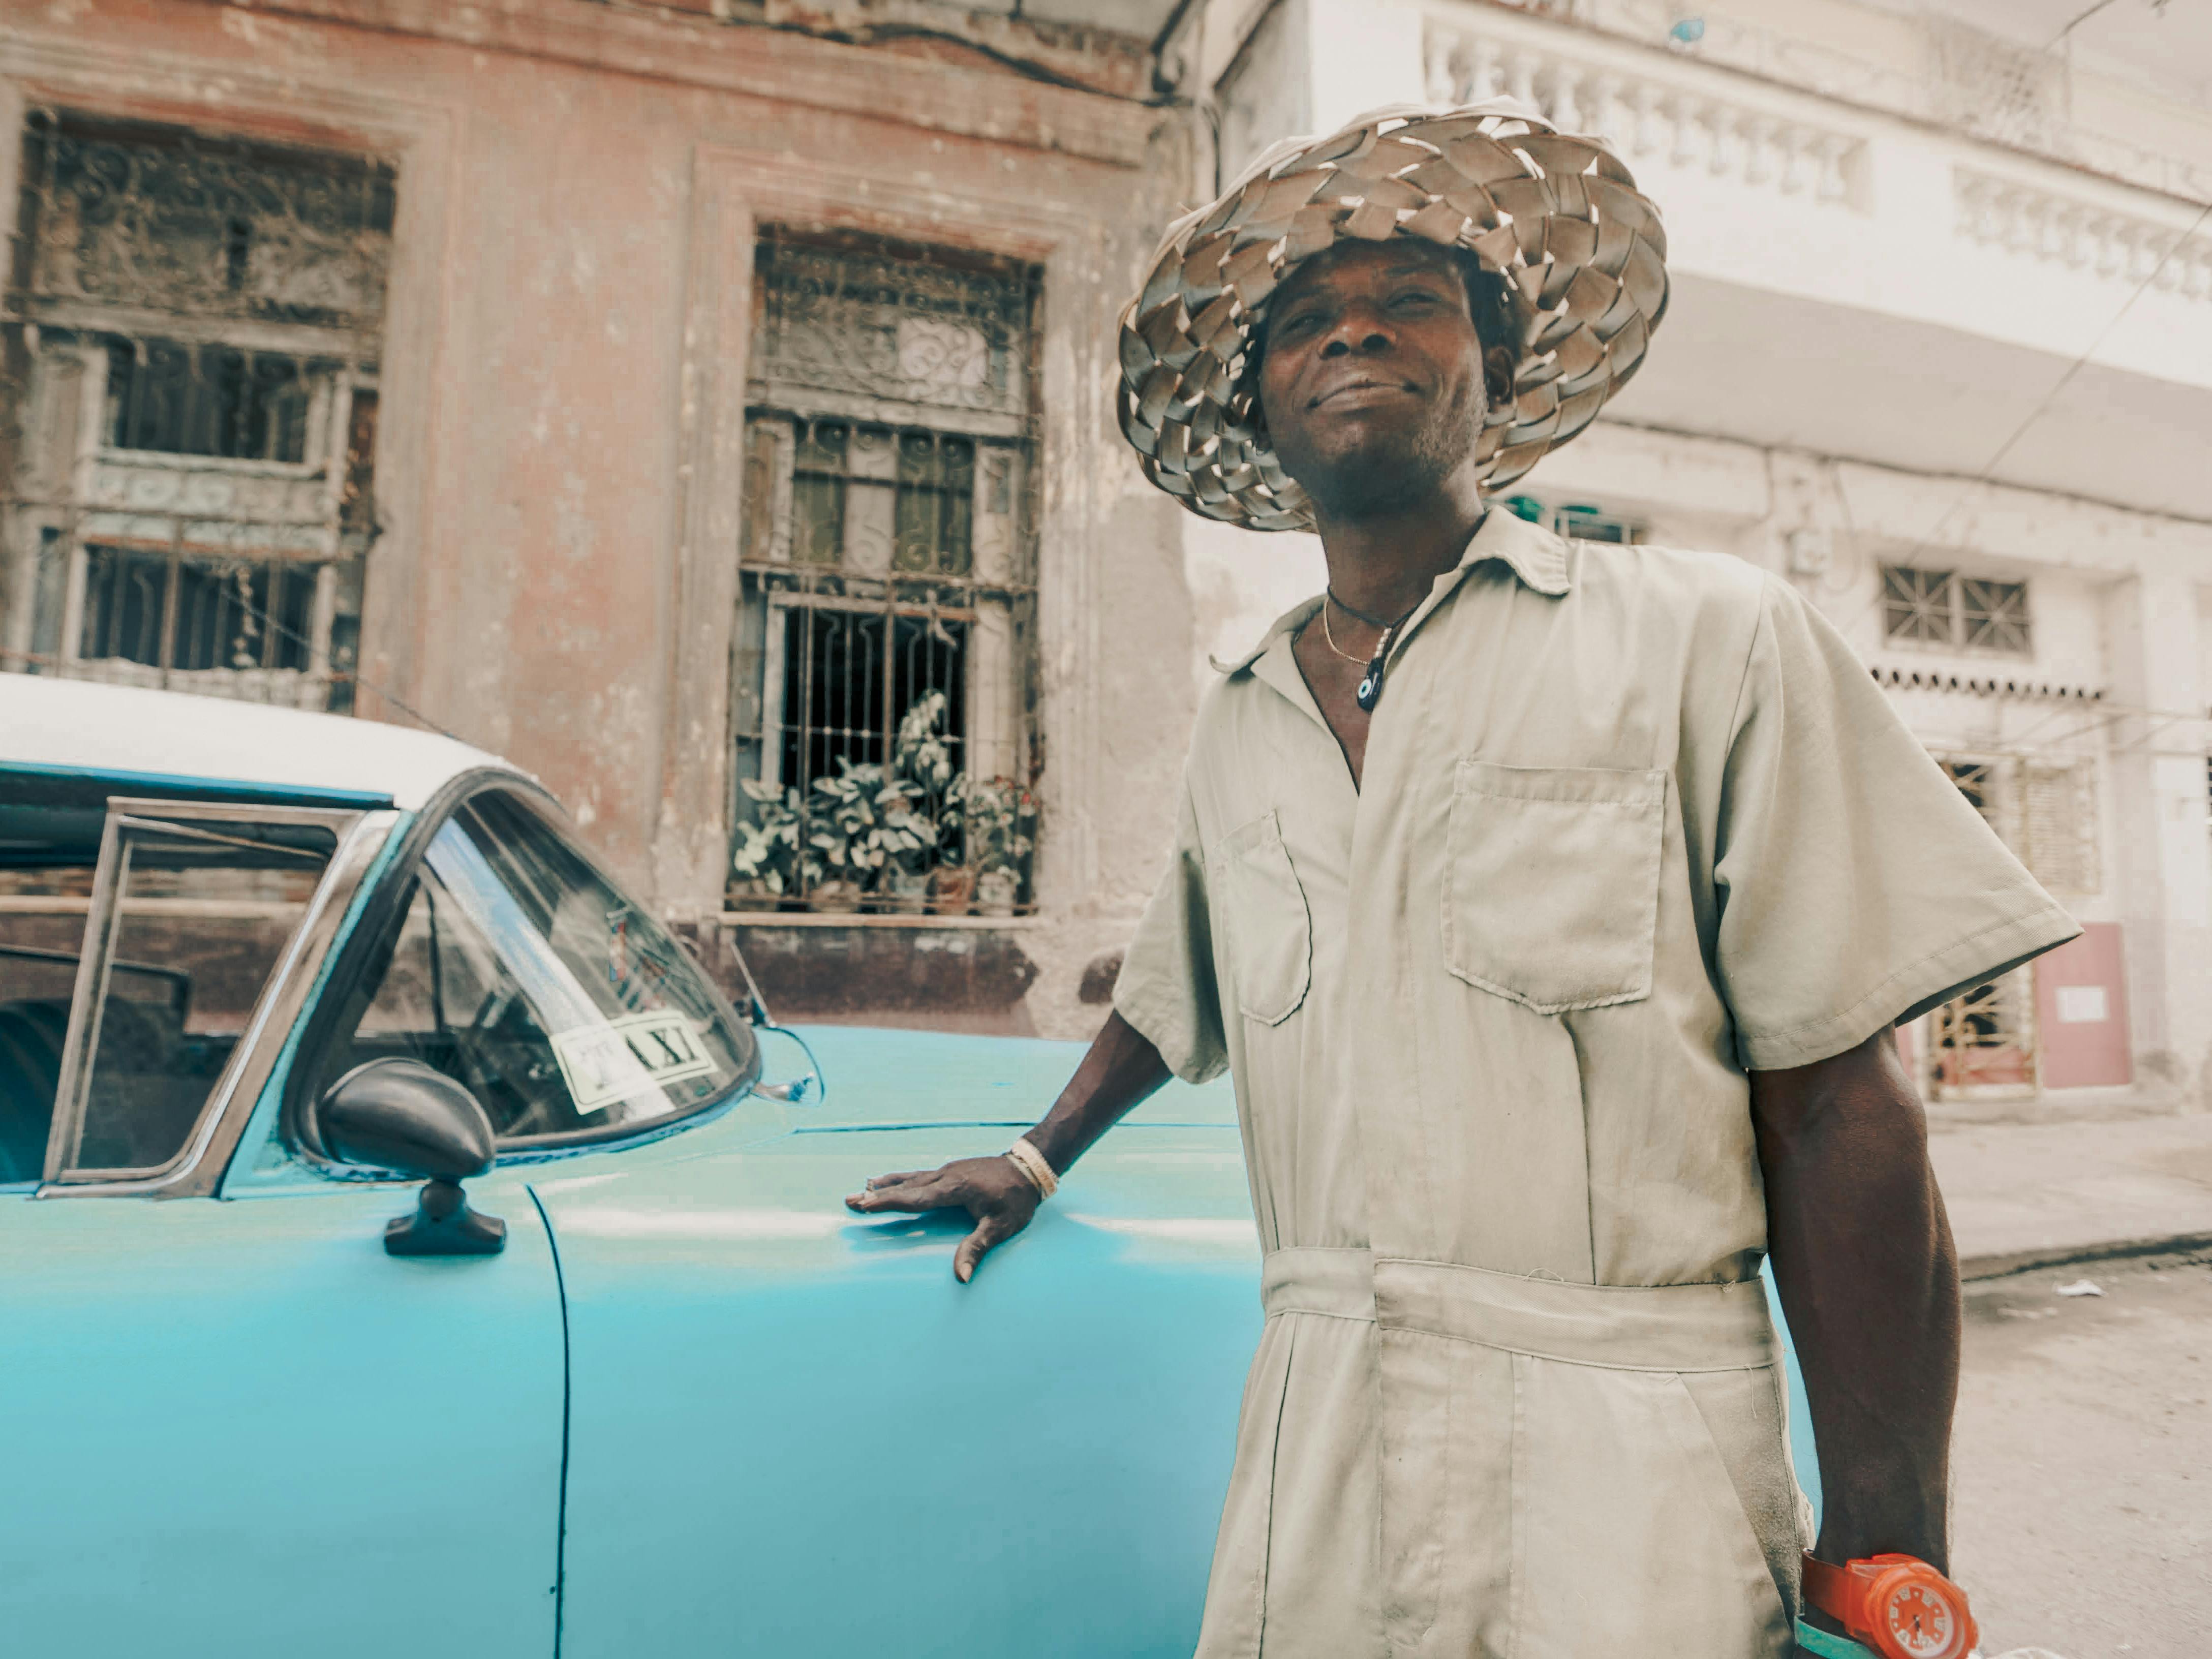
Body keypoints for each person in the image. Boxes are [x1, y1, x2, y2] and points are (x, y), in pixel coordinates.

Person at [848, 101, 2076, 1659]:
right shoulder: (1243, 712)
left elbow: (1846, 1105)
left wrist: (1891, 1556)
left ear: (1492, 376)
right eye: (1306, 322)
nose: (1354, 330)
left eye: (1410, 302)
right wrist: (1034, 1160)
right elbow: (1185, 982)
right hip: (1324, 1433)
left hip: (1634, 1454)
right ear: (1265, 409)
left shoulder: (1706, 637)